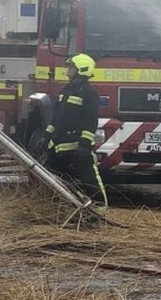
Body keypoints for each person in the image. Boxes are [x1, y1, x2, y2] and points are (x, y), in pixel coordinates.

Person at [44, 54, 108, 218]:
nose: (68, 70)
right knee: (55, 178)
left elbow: (90, 120)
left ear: (81, 69)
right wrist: (47, 135)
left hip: (78, 146)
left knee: (88, 177)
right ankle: (61, 209)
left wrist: (84, 144)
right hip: (59, 146)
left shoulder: (89, 92)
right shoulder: (66, 90)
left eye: (71, 67)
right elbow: (57, 118)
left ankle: (99, 209)